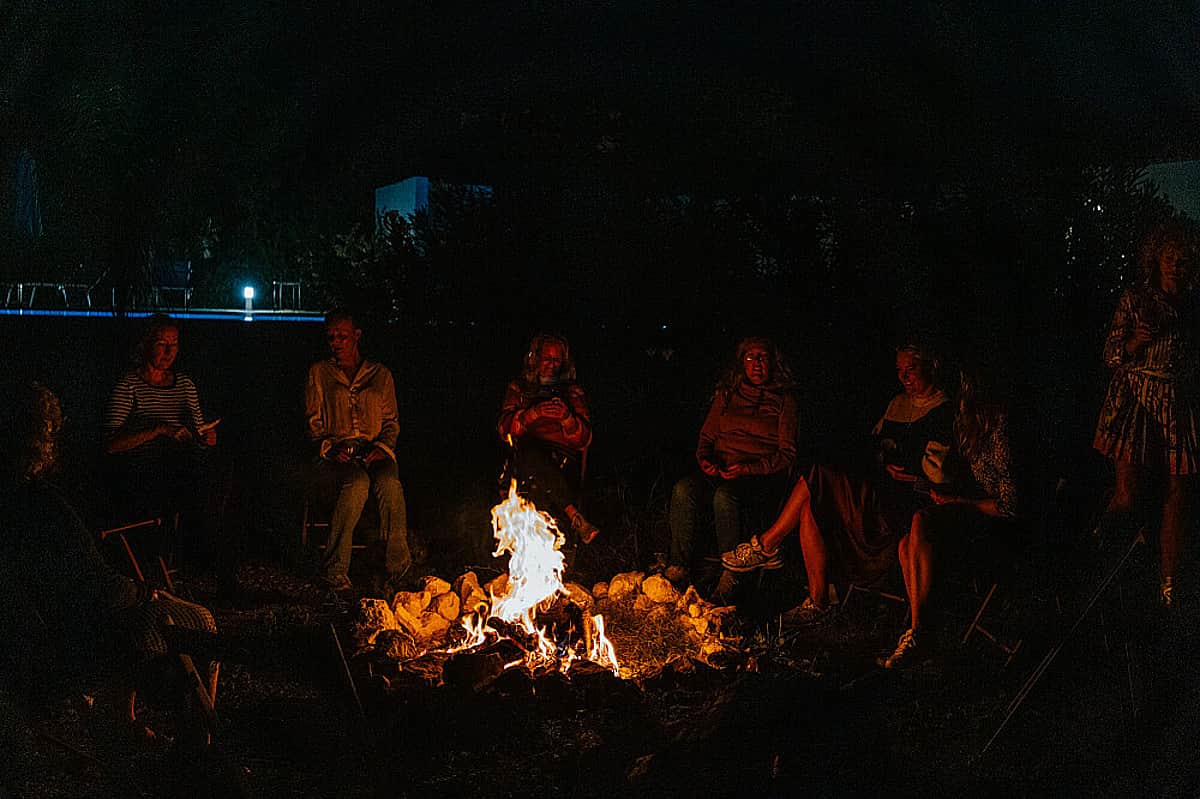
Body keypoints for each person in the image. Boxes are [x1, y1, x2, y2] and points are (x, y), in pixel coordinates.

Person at [0, 381, 218, 750]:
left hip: (33, 638)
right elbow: (98, 588)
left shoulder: (15, 499)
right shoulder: (42, 505)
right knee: (201, 620)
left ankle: (122, 720)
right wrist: (146, 592)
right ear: (40, 437)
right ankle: (197, 744)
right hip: (76, 642)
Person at [722, 341, 954, 625]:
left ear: (930, 367)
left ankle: (767, 545)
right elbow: (875, 444)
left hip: (904, 504)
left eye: (911, 369)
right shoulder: (898, 403)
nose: (904, 376)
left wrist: (907, 465)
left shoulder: (943, 410)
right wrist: (883, 458)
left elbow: (938, 471)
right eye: (899, 370)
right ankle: (816, 600)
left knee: (817, 477)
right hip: (878, 492)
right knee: (812, 498)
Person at [880, 365, 1019, 668]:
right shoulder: (969, 430)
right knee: (905, 544)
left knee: (921, 520)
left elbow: (1010, 506)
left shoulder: (1000, 435)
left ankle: (920, 632)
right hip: (970, 515)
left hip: (1000, 530)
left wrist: (956, 501)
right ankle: (918, 632)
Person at [1092, 225, 1198, 609]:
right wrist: (1136, 340)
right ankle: (1098, 549)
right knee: (1129, 493)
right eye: (1169, 258)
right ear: (1156, 258)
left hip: (1177, 403)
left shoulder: (1193, 308)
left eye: (1182, 260)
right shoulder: (1136, 299)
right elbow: (1111, 355)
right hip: (1136, 400)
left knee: (1177, 492)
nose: (1175, 266)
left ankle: (1169, 586)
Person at [665, 337, 798, 588]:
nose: (756, 363)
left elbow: (787, 453)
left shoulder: (783, 400)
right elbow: (707, 436)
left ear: (773, 362)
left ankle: (732, 572)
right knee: (684, 489)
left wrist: (749, 468)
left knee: (724, 496)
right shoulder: (727, 394)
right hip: (721, 467)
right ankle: (677, 566)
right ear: (741, 363)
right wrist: (705, 459)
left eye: (762, 357)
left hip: (757, 475)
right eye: (750, 357)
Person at [103, 314, 222, 575]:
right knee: (188, 480)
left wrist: (205, 439)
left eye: (174, 344)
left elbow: (196, 431)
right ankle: (180, 556)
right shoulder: (129, 386)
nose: (169, 352)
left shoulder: (185, 385)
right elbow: (112, 445)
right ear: (145, 344)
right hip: (142, 469)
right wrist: (158, 430)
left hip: (183, 464)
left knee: (211, 472)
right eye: (162, 344)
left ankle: (205, 554)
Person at [305, 310, 411, 594]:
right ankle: (335, 569)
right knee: (356, 482)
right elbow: (313, 422)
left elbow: (391, 422)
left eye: (342, 336)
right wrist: (330, 448)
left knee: (389, 483)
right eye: (331, 337)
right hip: (337, 451)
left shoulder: (380, 374)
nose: (336, 342)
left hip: (373, 448)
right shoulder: (320, 373)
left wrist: (382, 448)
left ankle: (398, 568)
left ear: (356, 336)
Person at [497, 333, 598, 544]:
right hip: (523, 457)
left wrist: (567, 418)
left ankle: (541, 551)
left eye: (556, 360)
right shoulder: (520, 389)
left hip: (561, 460)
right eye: (547, 358)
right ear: (535, 358)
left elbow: (584, 440)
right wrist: (533, 414)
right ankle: (573, 515)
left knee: (537, 475)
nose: (551, 364)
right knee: (530, 457)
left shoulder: (572, 393)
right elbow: (504, 429)